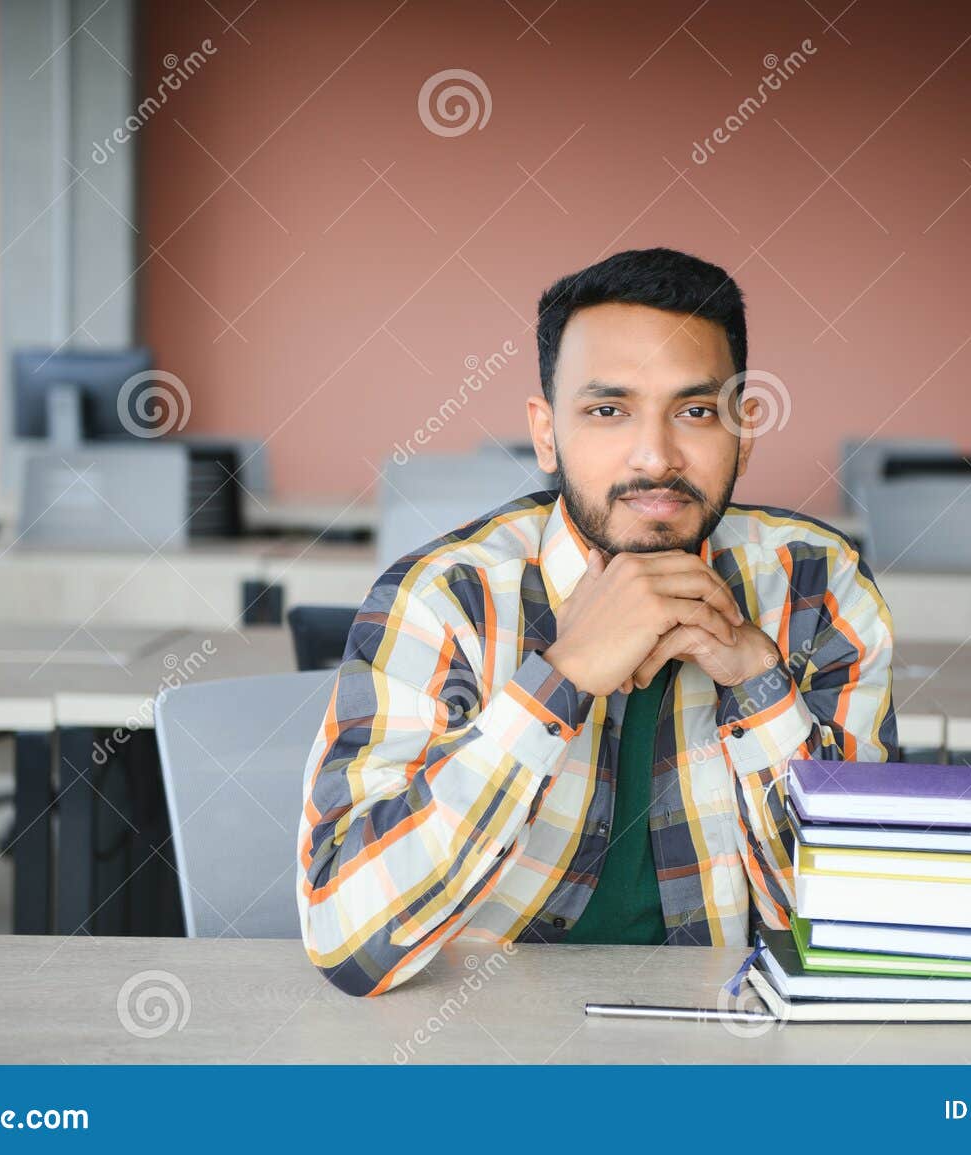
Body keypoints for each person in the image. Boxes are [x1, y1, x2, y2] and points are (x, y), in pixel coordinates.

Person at [297, 246, 898, 996]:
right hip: (480, 1051)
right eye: (608, 410)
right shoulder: (444, 599)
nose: (655, 455)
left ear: (743, 428)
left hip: (728, 1053)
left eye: (696, 410)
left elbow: (857, 929)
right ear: (547, 432)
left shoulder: (817, 584)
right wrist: (563, 675)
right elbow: (346, 939)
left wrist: (755, 678)